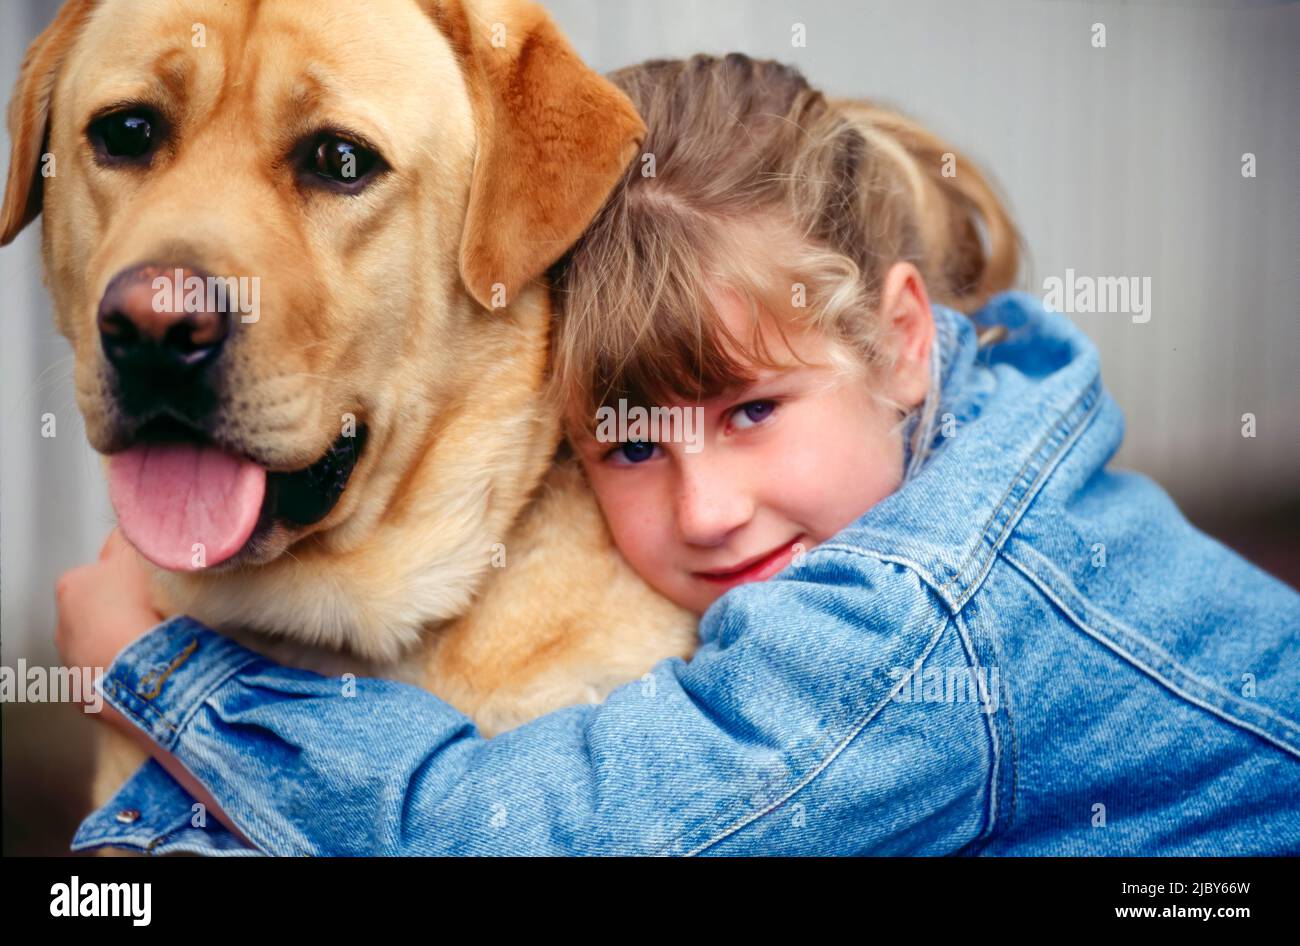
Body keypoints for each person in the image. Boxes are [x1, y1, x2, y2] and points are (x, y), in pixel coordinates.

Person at [56, 54, 1300, 856]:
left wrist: (161, 671)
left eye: (754, 411)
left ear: (904, 339)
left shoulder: (925, 620)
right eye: (629, 447)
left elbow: (513, 841)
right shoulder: (960, 427)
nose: (705, 509)